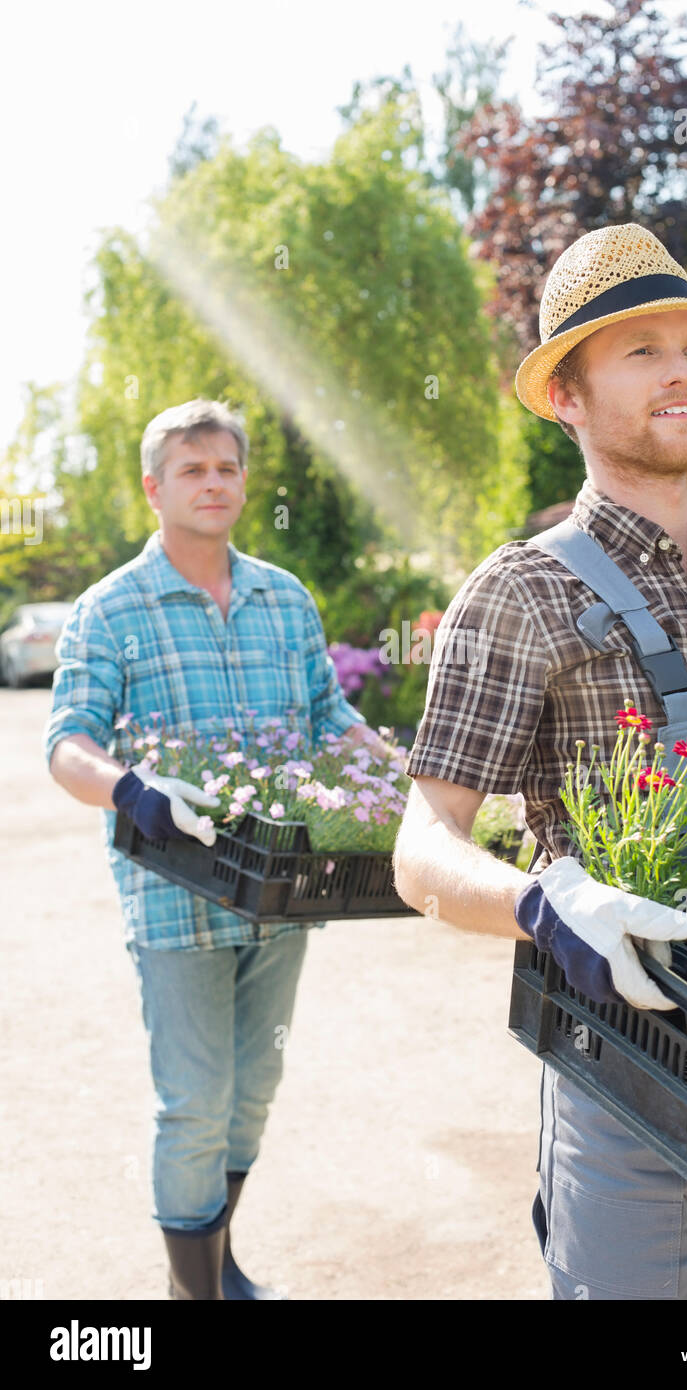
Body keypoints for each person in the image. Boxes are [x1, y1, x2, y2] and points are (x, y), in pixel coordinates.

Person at [393, 223, 687, 1300]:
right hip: (630, 1079)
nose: (681, 372)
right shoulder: (518, 594)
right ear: (565, 394)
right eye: (640, 350)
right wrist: (547, 903)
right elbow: (421, 848)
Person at [44, 398, 387, 1300]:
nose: (213, 483)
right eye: (192, 470)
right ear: (155, 487)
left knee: (251, 1096)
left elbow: (326, 717)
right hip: (175, 895)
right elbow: (67, 742)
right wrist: (130, 788)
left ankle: (217, 1263)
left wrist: (401, 779)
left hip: (285, 893)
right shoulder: (110, 609)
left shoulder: (284, 597)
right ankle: (194, 1293)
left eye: (227, 468)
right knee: (195, 1105)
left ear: (243, 482)